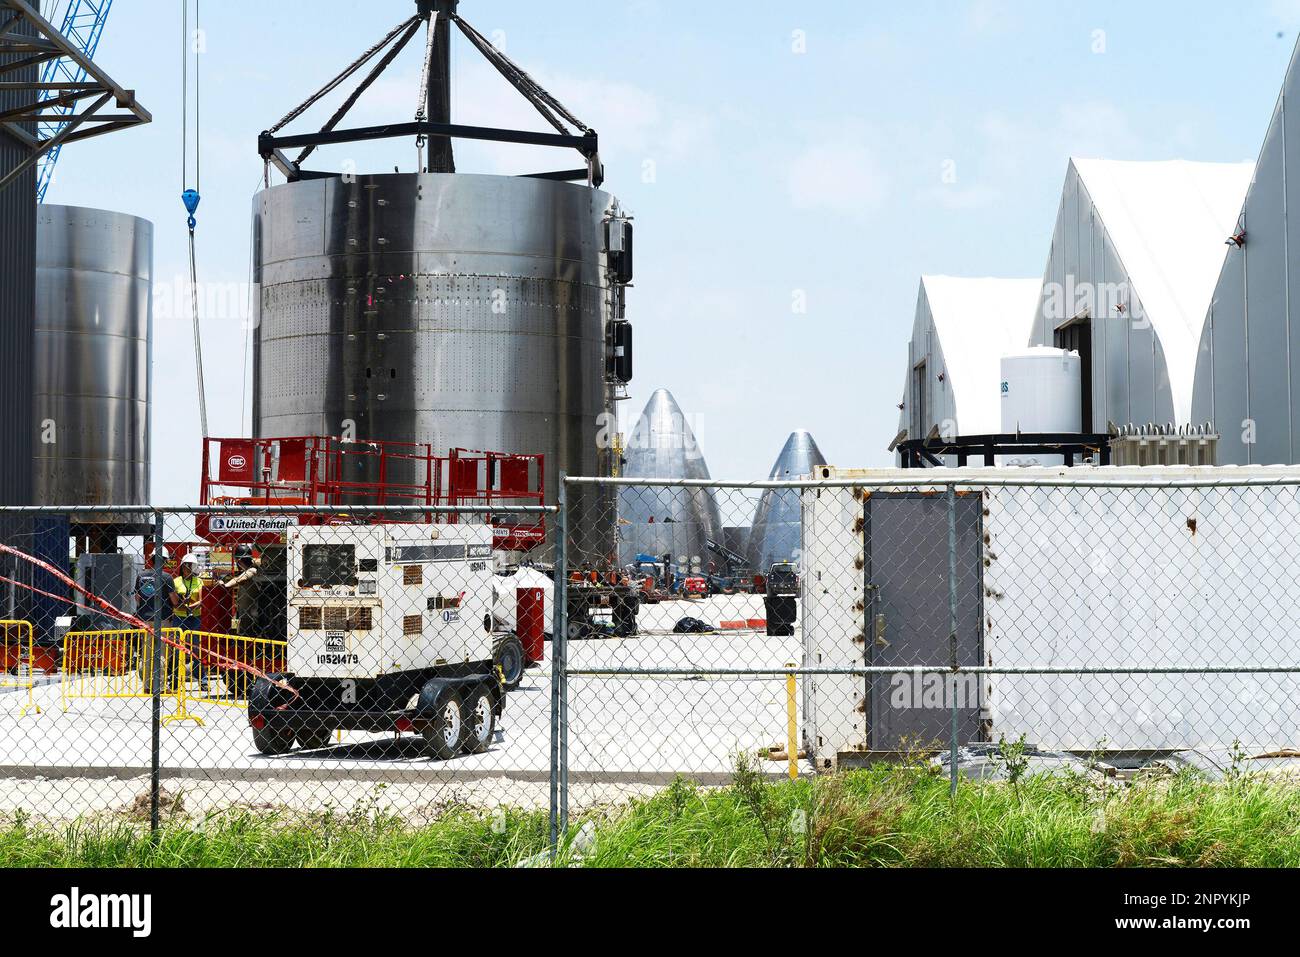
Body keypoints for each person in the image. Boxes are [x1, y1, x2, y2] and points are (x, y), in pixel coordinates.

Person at [171, 553, 206, 690]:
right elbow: (173, 601)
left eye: (191, 566)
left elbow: (203, 600)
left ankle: (202, 680)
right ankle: (174, 679)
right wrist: (182, 605)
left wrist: (191, 606)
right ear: (182, 566)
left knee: (196, 649)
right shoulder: (176, 581)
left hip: (195, 618)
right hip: (179, 618)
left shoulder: (199, 582)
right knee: (177, 649)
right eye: (186, 566)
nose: (189, 568)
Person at [217, 544, 260, 634]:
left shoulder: (252, 570)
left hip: (252, 615)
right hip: (246, 614)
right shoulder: (247, 570)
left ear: (238, 560)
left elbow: (240, 579)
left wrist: (225, 585)